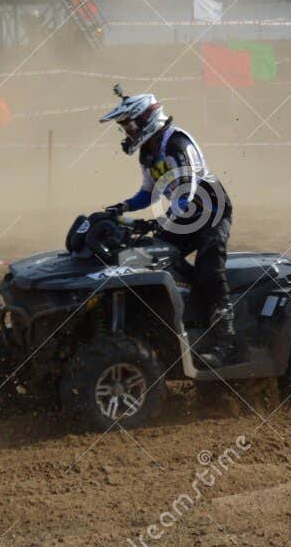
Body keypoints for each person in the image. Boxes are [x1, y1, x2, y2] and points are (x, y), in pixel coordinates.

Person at [99, 86, 238, 365]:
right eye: (123, 127)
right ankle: (188, 316)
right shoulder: (148, 154)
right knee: (153, 259)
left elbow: (187, 193)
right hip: (181, 217)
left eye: (128, 125)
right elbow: (149, 193)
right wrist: (123, 207)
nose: (126, 131)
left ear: (145, 119)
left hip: (210, 214)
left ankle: (226, 342)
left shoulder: (177, 144)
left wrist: (158, 222)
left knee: (210, 271)